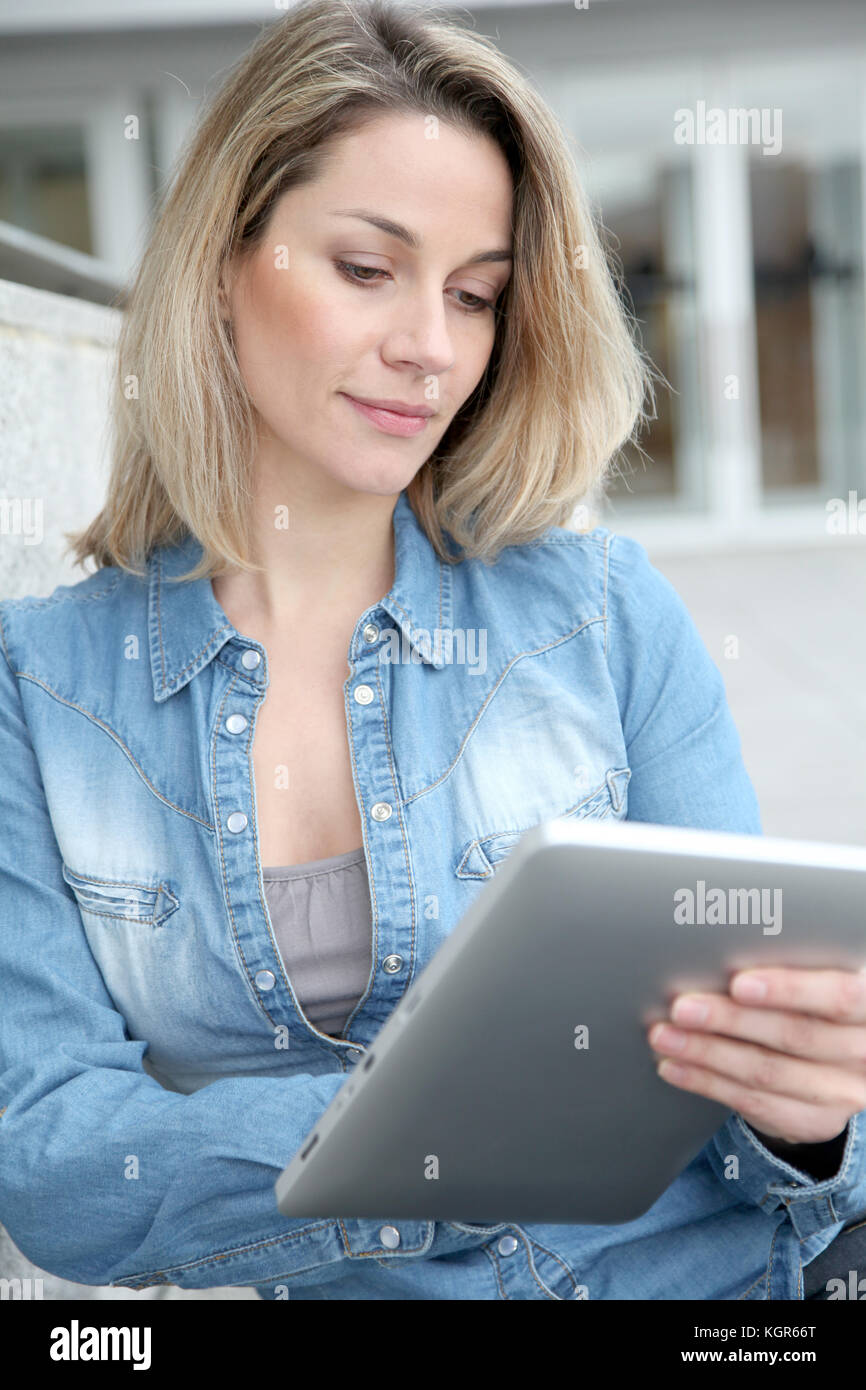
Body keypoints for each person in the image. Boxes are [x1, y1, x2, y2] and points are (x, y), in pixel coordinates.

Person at [1, 0, 864, 1302]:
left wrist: (807, 1117)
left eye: (475, 295)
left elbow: (768, 1130)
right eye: (366, 269)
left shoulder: (603, 614)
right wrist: (435, 1137)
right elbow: (55, 1161)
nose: (431, 348)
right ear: (222, 264)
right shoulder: (40, 686)